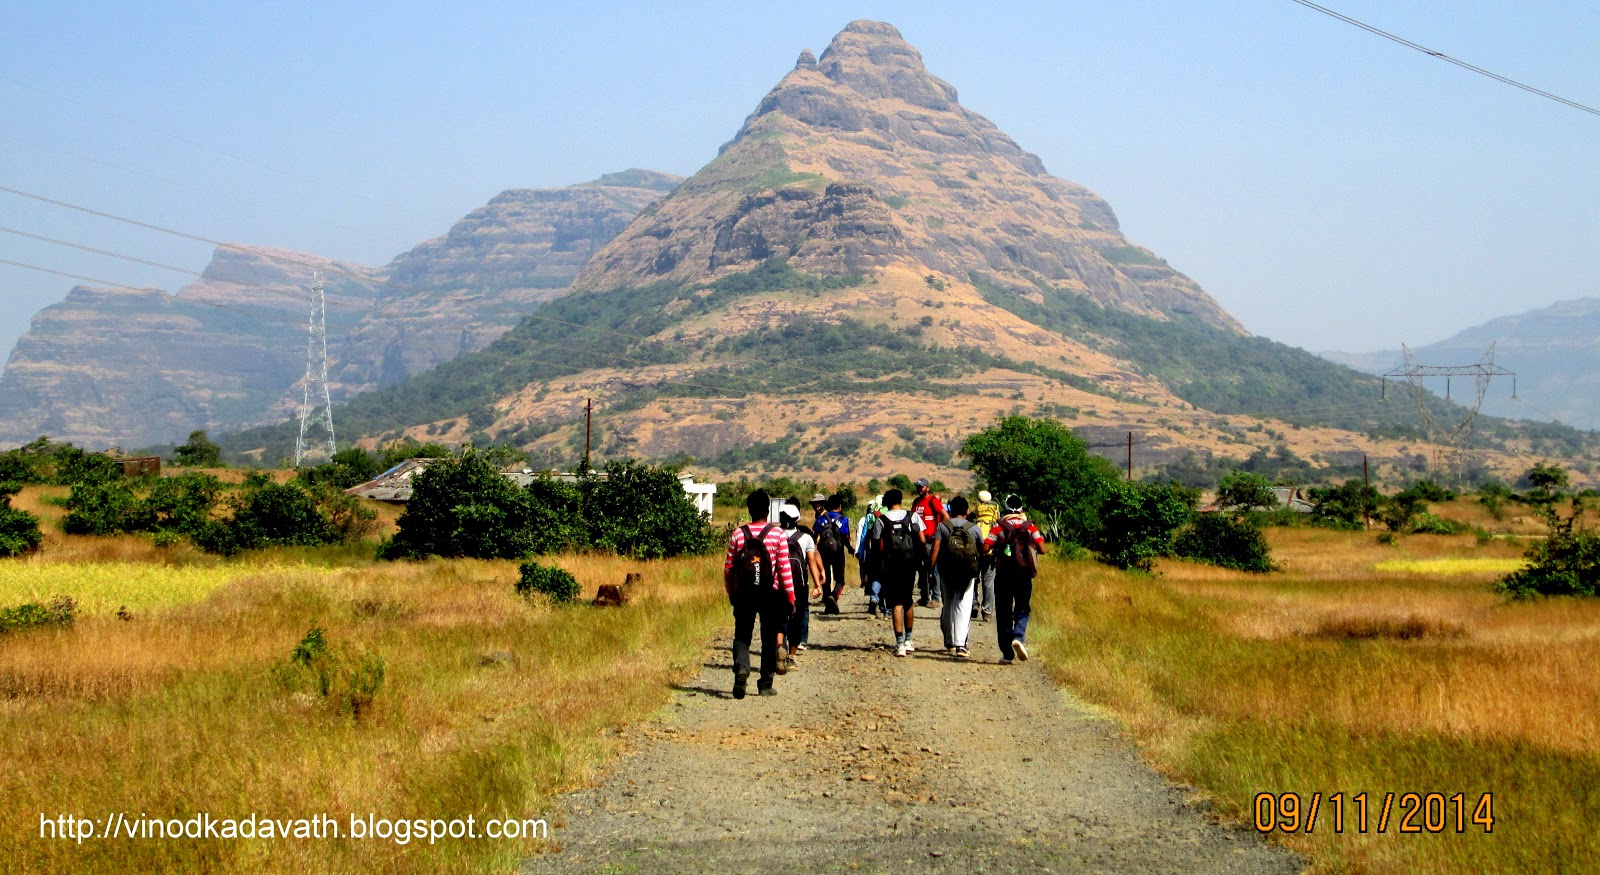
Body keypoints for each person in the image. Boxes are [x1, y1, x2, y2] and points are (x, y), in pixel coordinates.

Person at [723, 489, 795, 698]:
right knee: (769, 638)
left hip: (744, 594)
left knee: (742, 635)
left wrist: (732, 593)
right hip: (769, 594)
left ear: (749, 510)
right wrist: (790, 597)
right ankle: (765, 683)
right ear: (768, 510)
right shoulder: (777, 535)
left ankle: (742, 668)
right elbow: (784, 569)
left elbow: (728, 568)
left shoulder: (738, 534)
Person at [983, 493, 1046, 664]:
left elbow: (986, 546)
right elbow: (1042, 548)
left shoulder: (999, 527)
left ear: (1005, 508)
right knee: (1023, 609)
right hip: (1024, 574)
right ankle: (1018, 636)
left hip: (1003, 574)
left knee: (1003, 612)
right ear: (1021, 509)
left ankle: (1007, 653)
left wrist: (999, 547)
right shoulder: (1030, 526)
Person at [872, 488, 925, 656]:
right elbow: (922, 540)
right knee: (908, 600)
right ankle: (909, 641)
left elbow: (875, 545)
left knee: (896, 603)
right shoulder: (912, 516)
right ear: (901, 500)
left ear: (887, 503)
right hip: (909, 563)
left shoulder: (881, 520)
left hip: (891, 565)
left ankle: (900, 644)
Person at [929, 495, 983, 658]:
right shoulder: (974, 528)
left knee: (949, 603)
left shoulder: (942, 526)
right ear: (966, 511)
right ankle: (960, 645)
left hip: (946, 570)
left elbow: (935, 549)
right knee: (964, 605)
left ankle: (949, 641)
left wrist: (930, 571)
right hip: (967, 571)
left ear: (950, 510)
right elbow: (982, 550)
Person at [780, 501, 824, 671]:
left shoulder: (774, 535)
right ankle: (791, 657)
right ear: (797, 519)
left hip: (779, 585)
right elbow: (811, 562)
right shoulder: (805, 538)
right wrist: (817, 585)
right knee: (796, 620)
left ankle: (779, 648)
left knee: (779, 618)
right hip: (799, 585)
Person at [910, 478, 948, 608]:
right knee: (922, 570)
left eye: (922, 487)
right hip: (919, 541)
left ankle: (936, 598)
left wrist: (941, 533)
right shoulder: (916, 502)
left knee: (934, 568)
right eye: (918, 487)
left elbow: (945, 516)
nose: (919, 489)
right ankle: (924, 597)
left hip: (931, 541)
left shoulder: (933, 501)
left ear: (928, 487)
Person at [812, 493, 852, 615]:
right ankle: (834, 596)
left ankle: (828, 604)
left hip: (823, 551)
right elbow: (846, 537)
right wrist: (850, 548)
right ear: (839, 506)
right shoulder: (843, 519)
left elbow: (815, 534)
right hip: (838, 551)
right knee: (840, 579)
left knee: (826, 577)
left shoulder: (821, 518)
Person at [971, 490, 1001, 622]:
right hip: (990, 554)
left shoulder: (975, 518)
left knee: (973, 579)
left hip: (976, 553)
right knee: (988, 583)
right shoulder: (995, 519)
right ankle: (987, 612)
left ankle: (973, 604)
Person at [856, 495, 885, 616]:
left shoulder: (870, 516)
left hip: (872, 551)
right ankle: (885, 607)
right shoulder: (888, 514)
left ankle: (873, 598)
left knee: (875, 576)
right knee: (886, 578)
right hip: (886, 551)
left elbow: (864, 536)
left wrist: (861, 552)